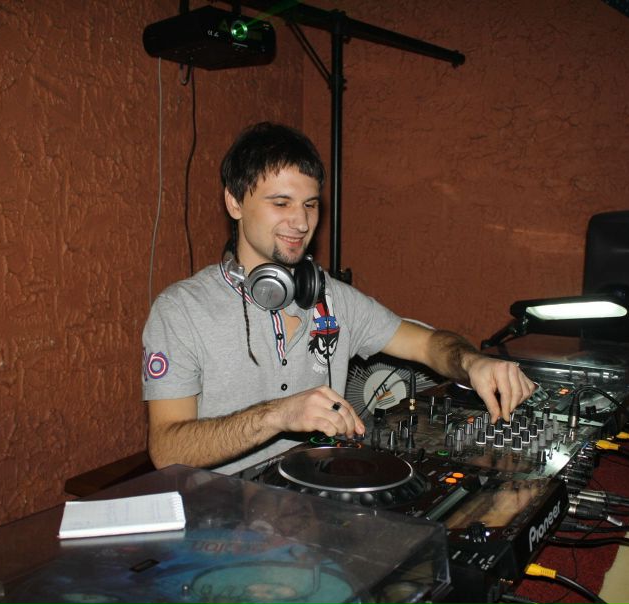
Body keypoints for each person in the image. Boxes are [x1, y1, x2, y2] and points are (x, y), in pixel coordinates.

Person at [142, 122, 535, 475]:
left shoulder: (333, 298)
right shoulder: (181, 311)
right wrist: (278, 415)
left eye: (310, 205)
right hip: (220, 516)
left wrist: (471, 361)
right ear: (234, 202)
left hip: (314, 501)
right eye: (281, 203)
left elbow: (427, 344)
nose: (301, 222)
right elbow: (167, 450)